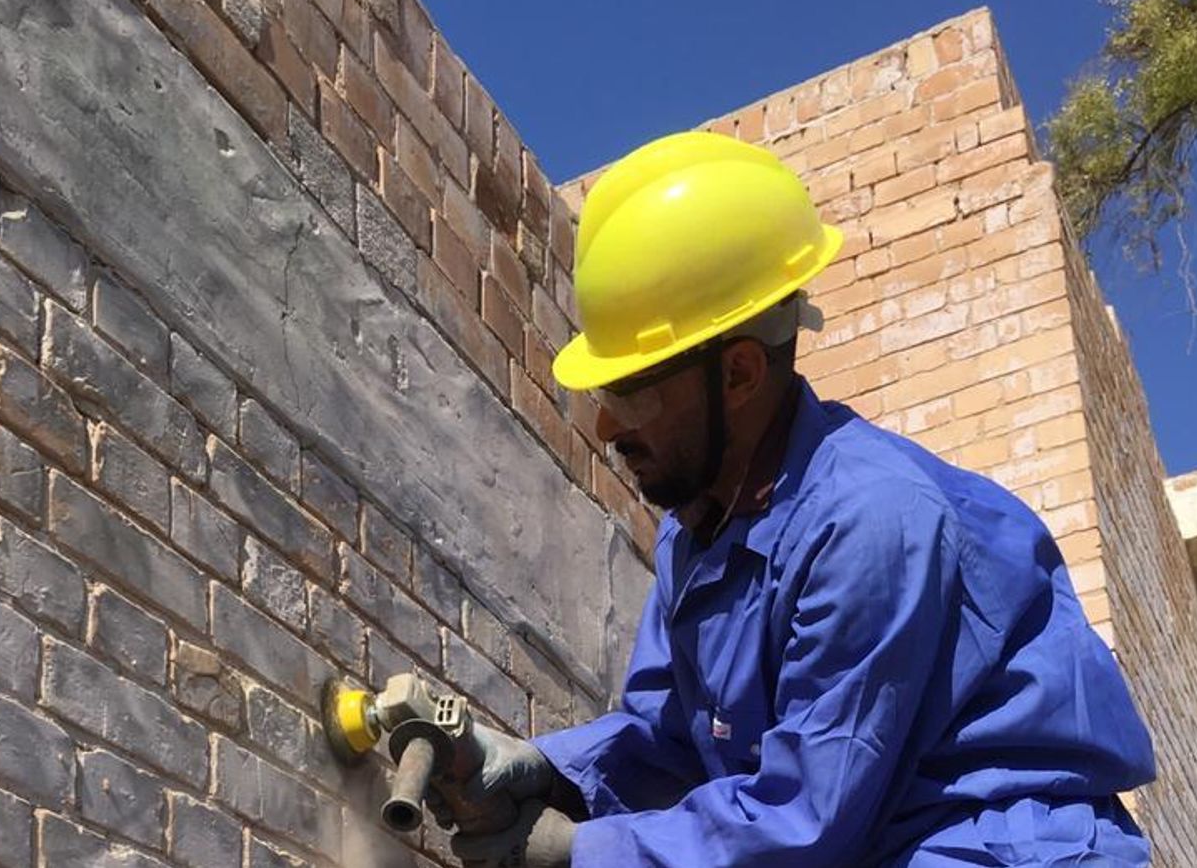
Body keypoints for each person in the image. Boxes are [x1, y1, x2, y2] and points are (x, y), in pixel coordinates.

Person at [434, 132, 1156, 867]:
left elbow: (804, 818)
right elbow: (674, 743)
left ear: (740, 374)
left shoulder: (869, 520)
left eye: (632, 390)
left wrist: (573, 854)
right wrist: (544, 771)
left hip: (1000, 841)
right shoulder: (697, 536)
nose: (606, 424)